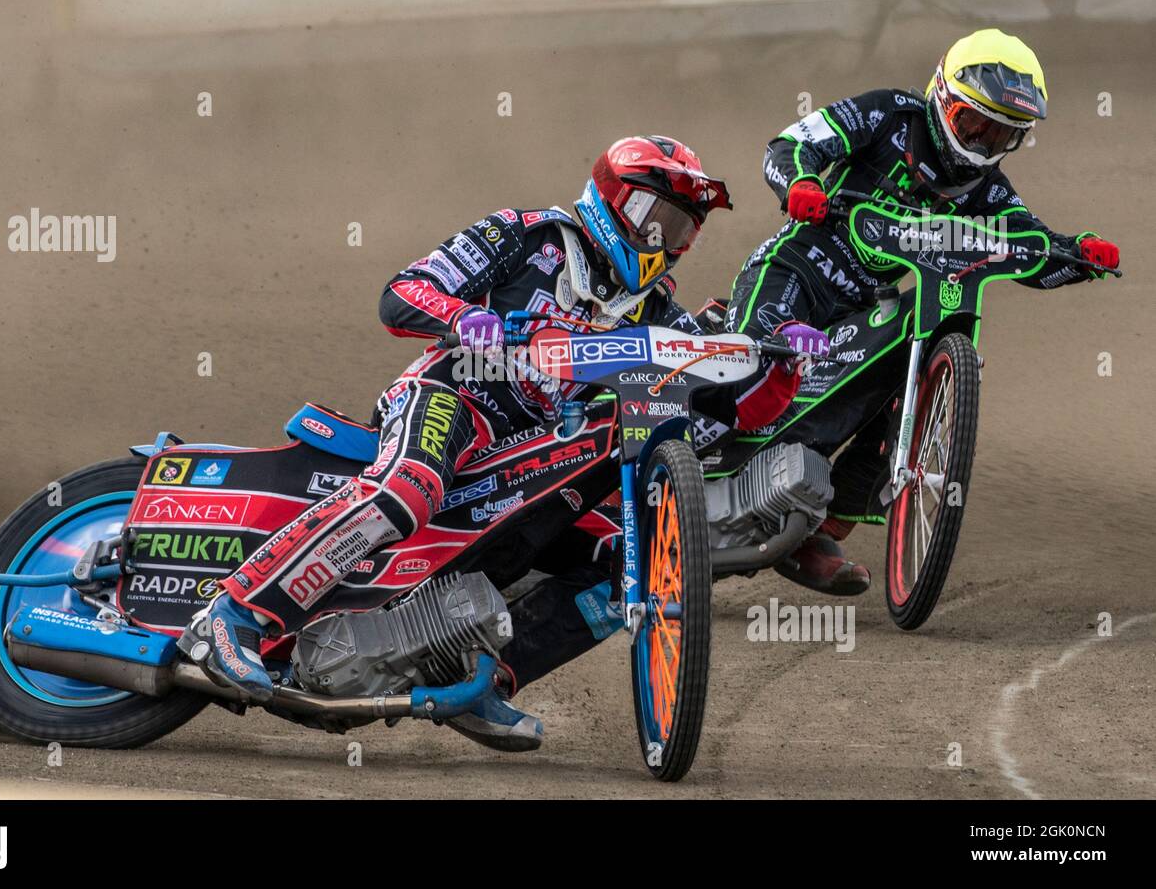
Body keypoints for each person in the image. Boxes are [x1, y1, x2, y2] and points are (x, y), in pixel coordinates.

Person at [180, 135, 829, 750]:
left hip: (530, 449)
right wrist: (467, 317)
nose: (665, 237)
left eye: (682, 226)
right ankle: (235, 613)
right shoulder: (530, 234)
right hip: (455, 392)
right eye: (654, 215)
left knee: (611, 561)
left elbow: (742, 415)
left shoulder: (657, 310)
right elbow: (400, 293)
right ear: (612, 198)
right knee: (409, 489)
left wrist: (782, 363)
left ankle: (482, 677)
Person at [719, 28, 1121, 596]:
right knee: (750, 383)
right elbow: (789, 144)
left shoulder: (988, 190)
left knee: (909, 371)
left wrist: (1078, 253)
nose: (982, 143)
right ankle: (663, 482)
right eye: (974, 123)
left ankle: (815, 525)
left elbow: (1029, 248)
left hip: (864, 308)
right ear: (941, 94)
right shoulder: (887, 113)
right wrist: (801, 183)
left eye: (1002, 133)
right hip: (793, 273)